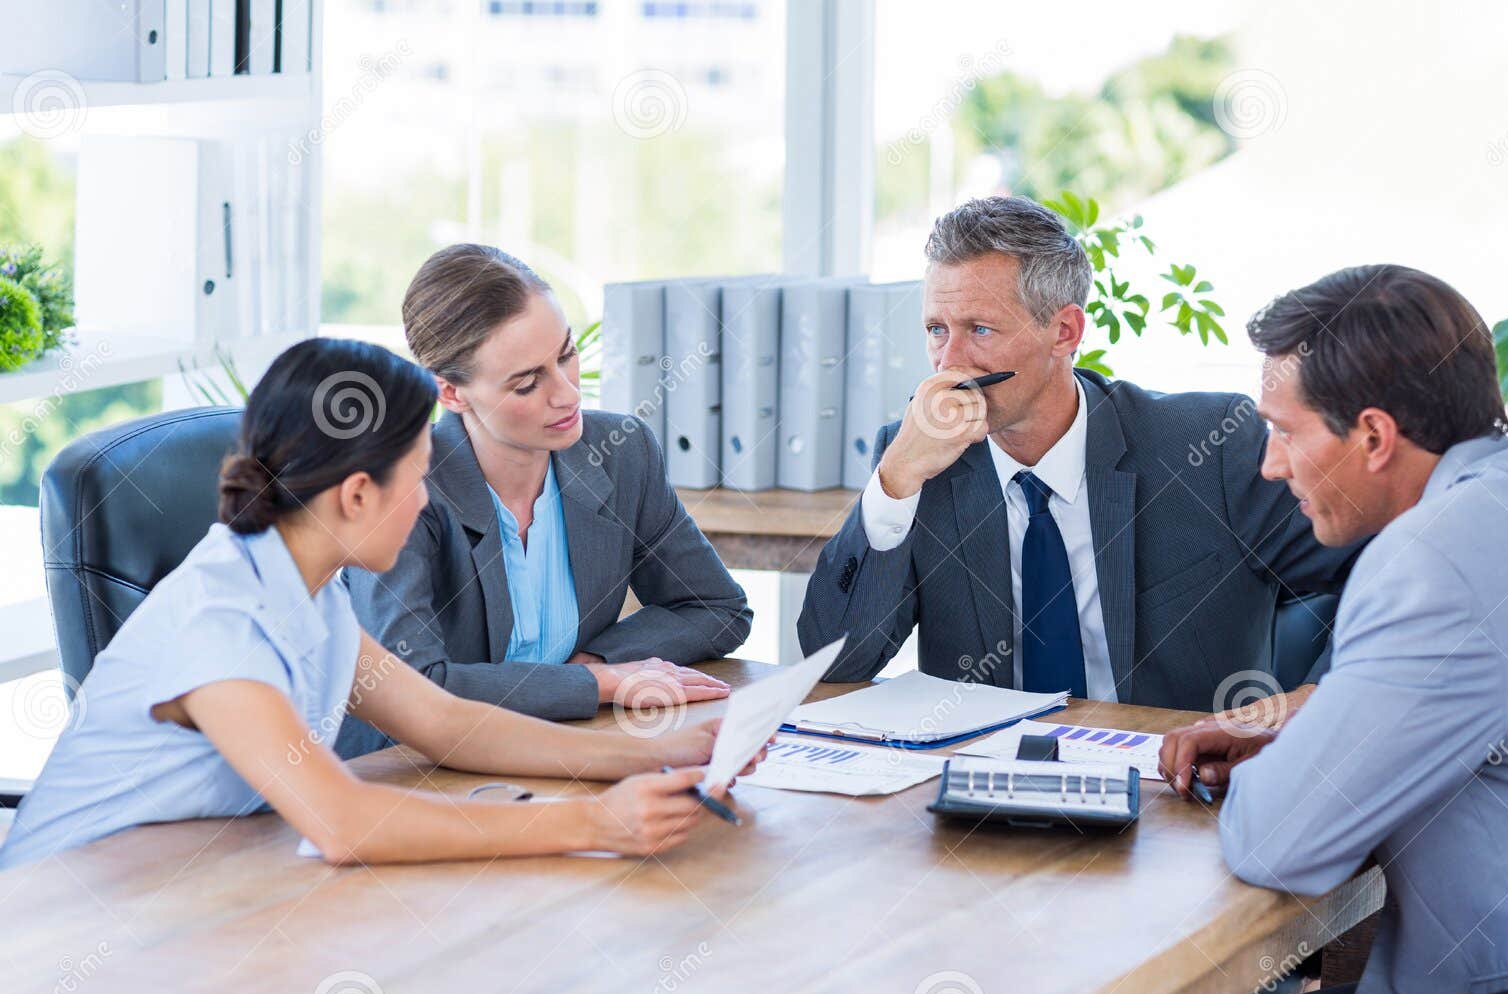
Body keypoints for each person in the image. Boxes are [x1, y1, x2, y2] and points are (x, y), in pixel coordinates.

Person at [0, 339, 751, 870]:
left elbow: (443, 722)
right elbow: (345, 823)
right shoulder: (219, 625)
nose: (428, 498)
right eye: (419, 478)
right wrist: (594, 822)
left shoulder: (304, 585)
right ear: (357, 494)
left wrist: (655, 753)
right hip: (62, 923)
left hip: (195, 890)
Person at [1158, 264, 1508, 994]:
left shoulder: (1437, 562)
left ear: (1372, 435)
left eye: (1285, 431)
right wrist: (1322, 714)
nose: (1269, 464)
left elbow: (1276, 842)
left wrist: (1308, 745)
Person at [796, 196, 1362, 713]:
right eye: (937, 329)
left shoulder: (1208, 445)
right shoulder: (918, 460)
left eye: (981, 330)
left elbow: (1383, 568)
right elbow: (835, 664)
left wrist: (1310, 703)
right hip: (982, 791)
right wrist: (894, 481)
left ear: (1064, 330)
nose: (950, 363)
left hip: (1175, 786)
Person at [337, 244, 751, 759]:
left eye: (567, 354)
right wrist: (596, 686)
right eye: (528, 382)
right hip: (406, 771)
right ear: (451, 394)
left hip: (561, 748)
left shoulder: (622, 452)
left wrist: (597, 661)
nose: (568, 394)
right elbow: (413, 688)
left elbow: (715, 606)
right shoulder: (402, 489)